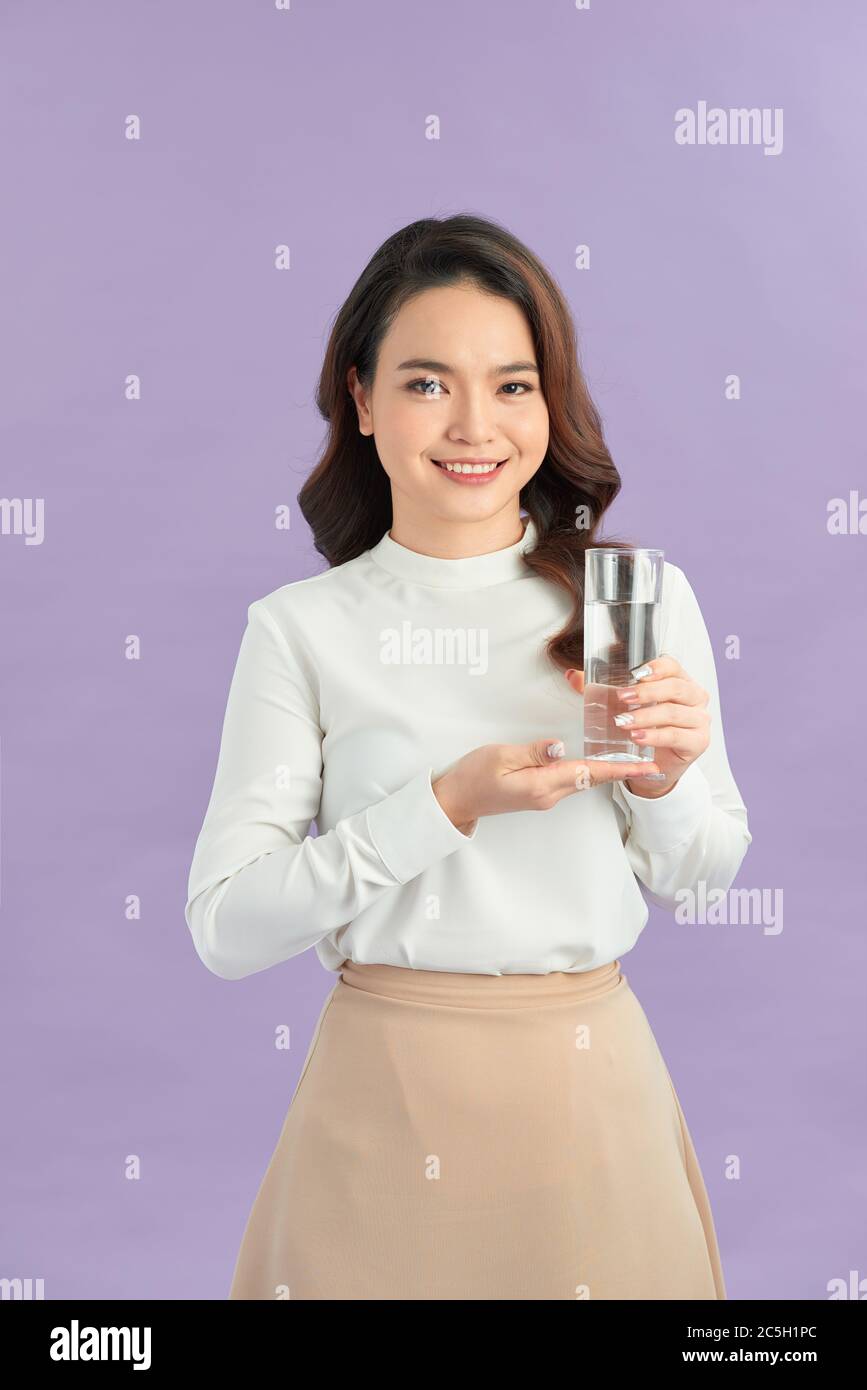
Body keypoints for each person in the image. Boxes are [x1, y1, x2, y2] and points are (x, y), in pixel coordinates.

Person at [184, 213, 751, 1301]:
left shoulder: (631, 603)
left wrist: (663, 782)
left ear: (550, 402)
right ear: (361, 398)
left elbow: (705, 873)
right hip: (377, 1113)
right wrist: (443, 804)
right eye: (429, 382)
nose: (475, 424)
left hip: (594, 1110)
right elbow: (226, 924)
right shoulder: (301, 629)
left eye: (514, 384)